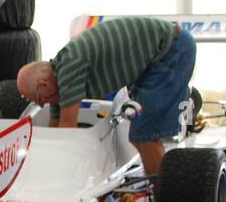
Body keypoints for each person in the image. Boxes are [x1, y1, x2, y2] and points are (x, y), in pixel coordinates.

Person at [17, 18, 196, 175]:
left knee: (144, 135)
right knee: (142, 135)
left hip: (171, 50)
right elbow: (55, 131)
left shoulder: (69, 67)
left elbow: (67, 129)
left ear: (43, 85)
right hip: (159, 56)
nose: (40, 105)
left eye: (37, 98)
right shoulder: (58, 81)